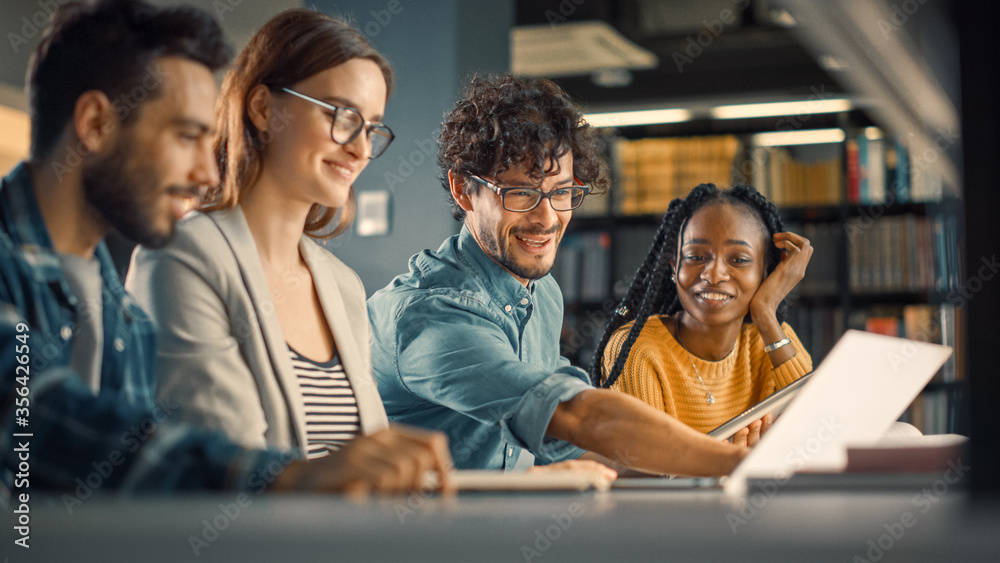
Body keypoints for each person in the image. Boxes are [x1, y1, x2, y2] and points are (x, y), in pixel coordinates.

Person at [1, 0, 448, 499]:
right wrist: (283, 476)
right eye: (186, 136)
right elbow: (33, 416)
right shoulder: (176, 257)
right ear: (97, 124)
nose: (207, 175)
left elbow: (112, 496)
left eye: (372, 129)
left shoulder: (118, 313)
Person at [368, 75, 747, 476]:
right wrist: (736, 463)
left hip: (496, 530)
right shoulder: (431, 313)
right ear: (464, 190)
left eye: (561, 192)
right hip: (421, 536)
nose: (547, 219)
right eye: (520, 193)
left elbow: (575, 447)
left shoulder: (541, 292)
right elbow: (574, 417)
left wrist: (707, 452)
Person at [592, 183, 814, 444]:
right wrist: (733, 460)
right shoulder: (637, 350)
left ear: (766, 271)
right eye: (696, 256)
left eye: (739, 259)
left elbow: (816, 429)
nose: (713, 274)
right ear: (674, 267)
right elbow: (650, 467)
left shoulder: (772, 338)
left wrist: (766, 313)